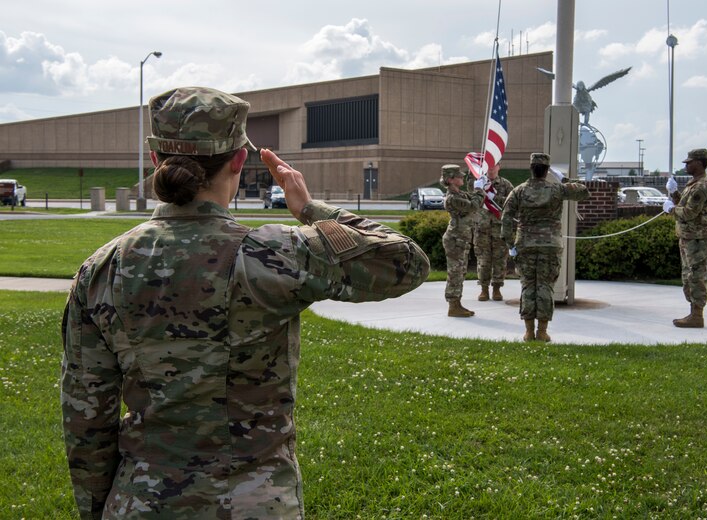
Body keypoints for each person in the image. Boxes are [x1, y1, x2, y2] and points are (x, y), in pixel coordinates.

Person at [60, 86, 430, 519]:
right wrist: (311, 209)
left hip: (141, 501)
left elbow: (86, 419)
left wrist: (97, 510)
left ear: (157, 160)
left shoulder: (102, 268)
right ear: (239, 160)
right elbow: (406, 261)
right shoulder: (271, 253)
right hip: (255, 500)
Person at [501, 153, 590, 342]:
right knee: (545, 286)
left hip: (525, 244)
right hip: (550, 245)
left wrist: (510, 245)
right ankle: (542, 331)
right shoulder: (557, 189)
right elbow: (583, 191)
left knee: (528, 286)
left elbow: (506, 218)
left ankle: (528, 331)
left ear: (531, 169)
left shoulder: (519, 191)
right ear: (547, 170)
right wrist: (564, 179)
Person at [663, 148, 707, 328]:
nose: (686, 165)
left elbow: (690, 213)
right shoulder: (694, 183)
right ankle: (693, 312)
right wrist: (675, 193)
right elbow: (684, 205)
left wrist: (670, 210)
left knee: (696, 275)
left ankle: (697, 315)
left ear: (699, 163)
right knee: (688, 275)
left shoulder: (701, 186)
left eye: (689, 162)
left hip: (697, 238)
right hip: (688, 237)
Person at [441, 164, 485, 317]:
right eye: (459, 176)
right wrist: (480, 190)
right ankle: (453, 306)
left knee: (460, 272)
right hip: (455, 239)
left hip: (461, 238)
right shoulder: (452, 198)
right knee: (455, 273)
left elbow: (472, 198)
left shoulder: (459, 193)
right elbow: (473, 205)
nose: (462, 177)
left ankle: (457, 303)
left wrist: (476, 182)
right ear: (451, 179)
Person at [473, 161, 514, 302]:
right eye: (489, 166)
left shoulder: (506, 185)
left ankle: (497, 289)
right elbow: (473, 202)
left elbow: (511, 204)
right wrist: (480, 189)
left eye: (494, 165)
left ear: (499, 167)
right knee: (483, 261)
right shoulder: (478, 184)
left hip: (499, 228)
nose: (491, 168)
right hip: (482, 228)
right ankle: (484, 289)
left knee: (499, 260)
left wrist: (493, 196)